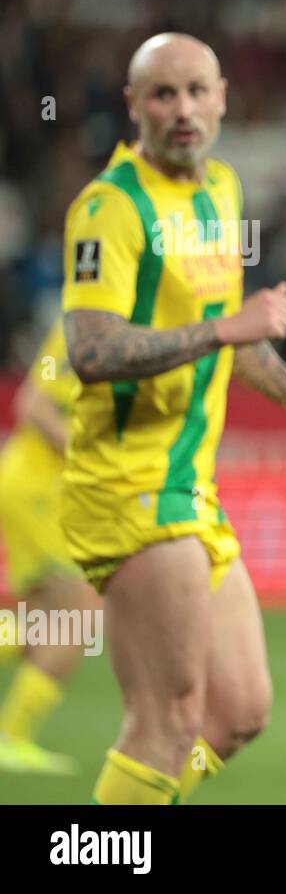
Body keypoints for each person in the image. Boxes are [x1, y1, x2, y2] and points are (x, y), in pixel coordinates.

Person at [61, 32, 286, 804]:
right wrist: (224, 332)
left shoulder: (220, 191)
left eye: (197, 91)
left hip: (189, 487)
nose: (183, 109)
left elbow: (223, 321)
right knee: (167, 721)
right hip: (128, 486)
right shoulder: (109, 208)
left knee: (237, 712)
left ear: (224, 96)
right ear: (133, 107)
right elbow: (91, 349)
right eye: (162, 94)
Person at [0, 319, 100, 775]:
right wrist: (87, 460)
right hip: (37, 488)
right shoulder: (86, 330)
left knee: (39, 624)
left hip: (40, 490)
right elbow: (33, 406)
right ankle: (11, 736)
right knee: (78, 619)